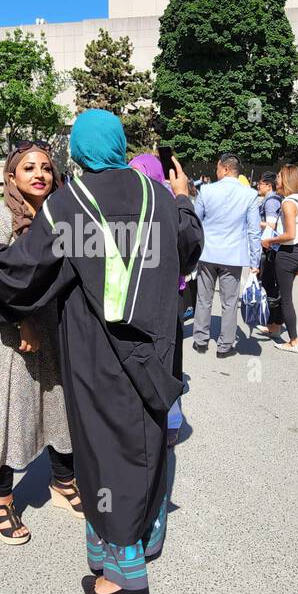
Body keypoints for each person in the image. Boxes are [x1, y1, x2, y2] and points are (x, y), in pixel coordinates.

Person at [0, 109, 203, 594]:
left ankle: (123, 574)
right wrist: (183, 200)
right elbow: (187, 248)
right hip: (155, 349)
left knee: (107, 450)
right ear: (119, 145)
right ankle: (144, 536)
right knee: (146, 441)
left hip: (100, 354)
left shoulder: (70, 205)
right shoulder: (156, 196)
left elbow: (19, 276)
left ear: (78, 151)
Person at [0, 143, 78, 543]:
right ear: (12, 177)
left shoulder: (59, 218)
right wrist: (23, 324)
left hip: (56, 332)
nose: (39, 174)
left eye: (47, 168)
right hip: (12, 340)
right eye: (29, 168)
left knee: (59, 409)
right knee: (9, 415)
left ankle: (63, 482)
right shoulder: (1, 221)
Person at [133, 153, 188, 446]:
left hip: (145, 300)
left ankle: (165, 421)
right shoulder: (170, 202)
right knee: (165, 362)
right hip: (167, 297)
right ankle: (168, 423)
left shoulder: (136, 202)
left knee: (151, 362)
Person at [191, 153, 260, 358]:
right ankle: (225, 346)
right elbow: (253, 231)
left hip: (208, 253)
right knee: (229, 302)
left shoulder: (207, 191)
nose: (216, 171)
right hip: (233, 256)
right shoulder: (249, 195)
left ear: (226, 169)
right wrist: (255, 260)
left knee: (203, 299)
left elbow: (196, 222)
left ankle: (200, 340)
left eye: (218, 168)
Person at [260, 164, 298, 353]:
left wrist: (269, 240)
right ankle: (276, 327)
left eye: (280, 177)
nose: (277, 180)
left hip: (287, 253)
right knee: (284, 296)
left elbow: (289, 233)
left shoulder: (288, 203)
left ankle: (293, 340)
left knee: (286, 299)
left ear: (287, 179)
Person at [256, 172, 284, 338]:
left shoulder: (271, 201)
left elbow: (271, 225)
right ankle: (272, 322)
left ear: (268, 185)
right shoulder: (272, 200)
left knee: (270, 286)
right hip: (270, 247)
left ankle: (275, 324)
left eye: (260, 183)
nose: (258, 186)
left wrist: (252, 221)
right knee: (268, 285)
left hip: (269, 248)